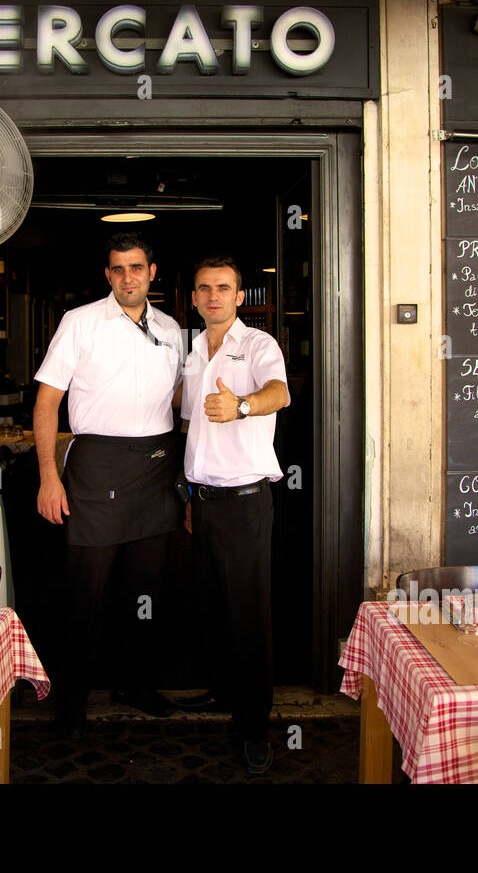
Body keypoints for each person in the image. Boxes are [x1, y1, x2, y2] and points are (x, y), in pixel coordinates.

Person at [33, 233, 186, 737]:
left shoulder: (171, 328)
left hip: (157, 466)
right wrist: (49, 477)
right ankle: (70, 700)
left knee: (147, 590)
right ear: (107, 276)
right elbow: (46, 404)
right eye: (118, 269)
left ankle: (135, 684)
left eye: (136, 267)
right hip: (97, 467)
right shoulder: (80, 323)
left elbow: (180, 402)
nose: (128, 277)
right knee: (86, 591)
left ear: (152, 272)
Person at [175, 256, 289, 775]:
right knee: (212, 607)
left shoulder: (258, 345)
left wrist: (241, 406)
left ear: (240, 296)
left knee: (249, 616)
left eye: (224, 288)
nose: (214, 296)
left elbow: (279, 394)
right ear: (194, 299)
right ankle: (222, 692)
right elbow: (188, 426)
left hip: (245, 502)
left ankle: (255, 725)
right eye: (204, 289)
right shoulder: (193, 349)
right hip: (203, 500)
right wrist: (187, 496)